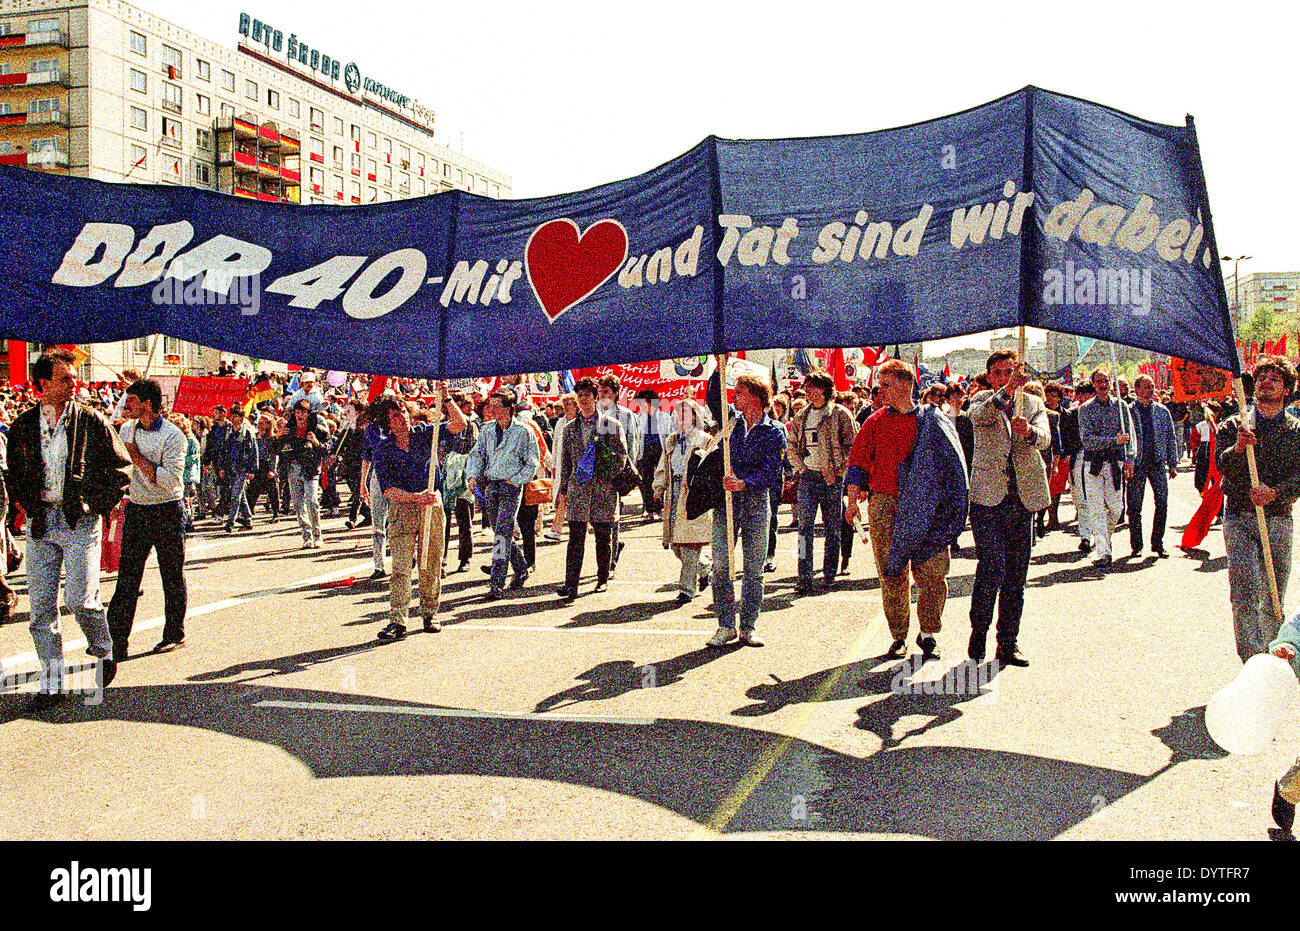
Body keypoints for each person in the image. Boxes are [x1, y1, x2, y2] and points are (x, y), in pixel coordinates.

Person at [6, 348, 131, 711]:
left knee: (80, 599)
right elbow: (13, 471)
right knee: (41, 610)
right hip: (42, 522)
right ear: (43, 383)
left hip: (79, 520)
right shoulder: (23, 425)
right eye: (65, 378)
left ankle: (103, 647)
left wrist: (97, 505)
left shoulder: (90, 420)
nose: (74, 382)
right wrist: (22, 502)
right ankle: (52, 683)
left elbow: (120, 468)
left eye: (73, 376)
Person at [844, 359, 950, 660]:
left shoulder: (934, 420)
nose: (880, 390)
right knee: (892, 572)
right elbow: (858, 464)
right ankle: (898, 635)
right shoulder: (874, 421)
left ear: (906, 384)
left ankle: (928, 634)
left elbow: (951, 467)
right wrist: (852, 502)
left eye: (886, 384)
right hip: (885, 502)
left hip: (927, 504)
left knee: (932, 572)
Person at [965, 350, 1051, 666]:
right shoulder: (982, 399)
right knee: (992, 565)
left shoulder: (1034, 404)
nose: (1003, 376)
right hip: (988, 498)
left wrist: (1028, 431)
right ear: (990, 376)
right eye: (998, 372)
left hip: (1022, 498)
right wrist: (1007, 391)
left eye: (1009, 371)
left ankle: (1008, 642)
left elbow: (1045, 438)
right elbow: (980, 416)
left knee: (1016, 575)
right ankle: (979, 629)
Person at [1217, 356, 1300, 662]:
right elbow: (1221, 465)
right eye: (1262, 376)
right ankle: (1252, 659)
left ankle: (1275, 656)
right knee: (1244, 589)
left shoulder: (1296, 430)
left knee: (1273, 589)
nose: (1266, 381)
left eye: (1274, 378)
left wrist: (1275, 493)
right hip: (1239, 515)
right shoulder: (1234, 425)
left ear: (1287, 390)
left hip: (1277, 518)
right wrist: (1238, 449)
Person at [371, 388, 464, 639]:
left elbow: (459, 423)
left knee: (431, 562)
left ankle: (429, 612)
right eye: (394, 415)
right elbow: (389, 490)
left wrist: (445, 398)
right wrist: (415, 497)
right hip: (403, 508)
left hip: (431, 504)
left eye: (402, 411)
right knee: (401, 566)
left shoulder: (425, 433)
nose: (401, 417)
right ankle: (398, 620)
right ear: (387, 422)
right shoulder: (383, 450)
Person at [107, 378, 189, 659]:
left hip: (168, 510)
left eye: (131, 401)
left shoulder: (174, 436)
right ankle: (116, 641)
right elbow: (122, 470)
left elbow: (166, 481)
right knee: (127, 578)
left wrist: (135, 455)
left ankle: (173, 633)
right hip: (138, 510)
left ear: (147, 405)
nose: (125, 405)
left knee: (171, 575)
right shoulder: (127, 428)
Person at [706, 367, 784, 648]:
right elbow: (713, 398)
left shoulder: (775, 432)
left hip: (755, 503)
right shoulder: (731, 424)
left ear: (754, 396)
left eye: (739, 392)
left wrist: (745, 482)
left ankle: (748, 626)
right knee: (721, 566)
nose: (734, 396)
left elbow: (772, 473)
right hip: (726, 502)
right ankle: (725, 625)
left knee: (753, 568)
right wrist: (718, 365)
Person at [787, 371, 858, 593]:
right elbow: (791, 445)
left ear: (825, 389)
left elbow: (852, 446)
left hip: (832, 478)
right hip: (808, 476)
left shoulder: (840, 414)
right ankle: (804, 577)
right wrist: (800, 467)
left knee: (832, 529)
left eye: (813, 387)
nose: (808, 392)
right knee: (803, 530)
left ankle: (829, 574)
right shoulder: (801, 416)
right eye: (806, 387)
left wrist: (840, 469)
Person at [556, 378, 626, 600]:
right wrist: (563, 489)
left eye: (588, 395)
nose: (584, 400)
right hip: (578, 490)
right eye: (580, 396)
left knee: (603, 536)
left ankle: (602, 578)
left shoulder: (611, 424)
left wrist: (606, 476)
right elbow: (566, 461)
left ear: (596, 398)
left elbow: (622, 457)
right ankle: (571, 584)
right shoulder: (569, 429)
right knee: (575, 537)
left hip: (603, 488)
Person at [466, 389, 538, 600]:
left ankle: (496, 582)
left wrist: (515, 480)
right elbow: (477, 455)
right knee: (502, 532)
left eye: (497, 406)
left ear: (508, 408)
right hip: (491, 487)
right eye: (491, 406)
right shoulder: (487, 429)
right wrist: (472, 476)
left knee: (501, 534)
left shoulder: (523, 431)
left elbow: (532, 462)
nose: (492, 410)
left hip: (510, 487)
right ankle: (522, 567)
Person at [653, 398, 713, 603]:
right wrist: (658, 486)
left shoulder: (704, 439)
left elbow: (709, 467)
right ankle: (704, 567)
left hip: (693, 494)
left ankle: (687, 589)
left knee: (689, 545)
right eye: (678, 414)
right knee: (676, 545)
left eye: (686, 413)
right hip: (674, 491)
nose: (681, 417)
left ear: (695, 416)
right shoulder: (671, 440)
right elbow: (663, 465)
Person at [1077, 368, 1135, 567]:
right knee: (1096, 508)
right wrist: (1113, 440)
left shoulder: (1121, 406)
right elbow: (1087, 440)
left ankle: (1104, 539)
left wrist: (1130, 458)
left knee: (1116, 508)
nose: (1103, 384)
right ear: (1093, 384)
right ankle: (1103, 552)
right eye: (1099, 381)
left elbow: (1129, 436)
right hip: (1093, 464)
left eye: (1106, 380)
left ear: (1111, 382)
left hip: (1115, 463)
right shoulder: (1084, 409)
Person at [1127, 374, 1180, 558]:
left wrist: (1172, 463)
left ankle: (1157, 543)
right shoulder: (1128, 411)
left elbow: (1170, 437)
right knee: (1134, 506)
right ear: (1137, 390)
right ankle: (1136, 545)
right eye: (1147, 387)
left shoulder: (1162, 411)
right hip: (1137, 463)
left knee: (1162, 503)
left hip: (1157, 463)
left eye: (1152, 387)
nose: (1150, 391)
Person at [280, 399, 329, 549]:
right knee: (298, 504)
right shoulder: (289, 429)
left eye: (303, 412)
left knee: (311, 501)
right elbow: (277, 449)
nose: (299, 415)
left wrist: (316, 442)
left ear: (308, 413)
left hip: (311, 468)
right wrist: (278, 436)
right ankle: (306, 536)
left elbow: (327, 450)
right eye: (297, 412)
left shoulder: (318, 429)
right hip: (293, 468)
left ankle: (317, 535)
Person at [1062, 381, 1095, 549]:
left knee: (1099, 500)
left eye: (1089, 393)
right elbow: (1067, 438)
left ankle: (1101, 535)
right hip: (1079, 458)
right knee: (1081, 498)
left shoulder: (1102, 412)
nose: (1085, 398)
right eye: (1081, 394)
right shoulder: (1072, 414)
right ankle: (1085, 537)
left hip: (1099, 458)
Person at [633, 389, 672, 521]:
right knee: (646, 481)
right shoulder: (639, 418)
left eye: (643, 403)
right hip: (645, 453)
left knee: (661, 479)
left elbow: (670, 436)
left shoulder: (665, 417)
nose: (641, 406)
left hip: (661, 451)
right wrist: (636, 458)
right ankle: (649, 509)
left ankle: (660, 507)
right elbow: (637, 439)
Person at [546, 393, 577, 542]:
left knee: (570, 498)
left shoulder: (581, 422)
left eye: (568, 405)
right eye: (564, 406)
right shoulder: (560, 423)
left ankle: (559, 529)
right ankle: (557, 530)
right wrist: (553, 464)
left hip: (578, 466)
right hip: (562, 465)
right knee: (563, 496)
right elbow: (555, 445)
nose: (565, 408)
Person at [222, 405, 258, 533]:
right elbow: (224, 450)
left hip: (243, 468)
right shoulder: (229, 431)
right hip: (231, 467)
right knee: (240, 494)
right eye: (232, 415)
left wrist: (252, 469)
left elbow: (254, 452)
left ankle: (230, 521)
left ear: (242, 418)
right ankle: (248, 518)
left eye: (236, 416)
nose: (233, 418)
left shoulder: (247, 432)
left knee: (235, 495)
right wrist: (222, 467)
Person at [245, 413, 281, 522]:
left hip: (267, 465)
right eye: (259, 423)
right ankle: (248, 514)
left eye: (262, 423)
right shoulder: (255, 436)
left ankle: (275, 514)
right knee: (252, 491)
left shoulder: (272, 438)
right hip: (257, 465)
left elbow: (274, 455)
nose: (259, 425)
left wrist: (272, 470)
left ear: (268, 425)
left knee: (273, 491)